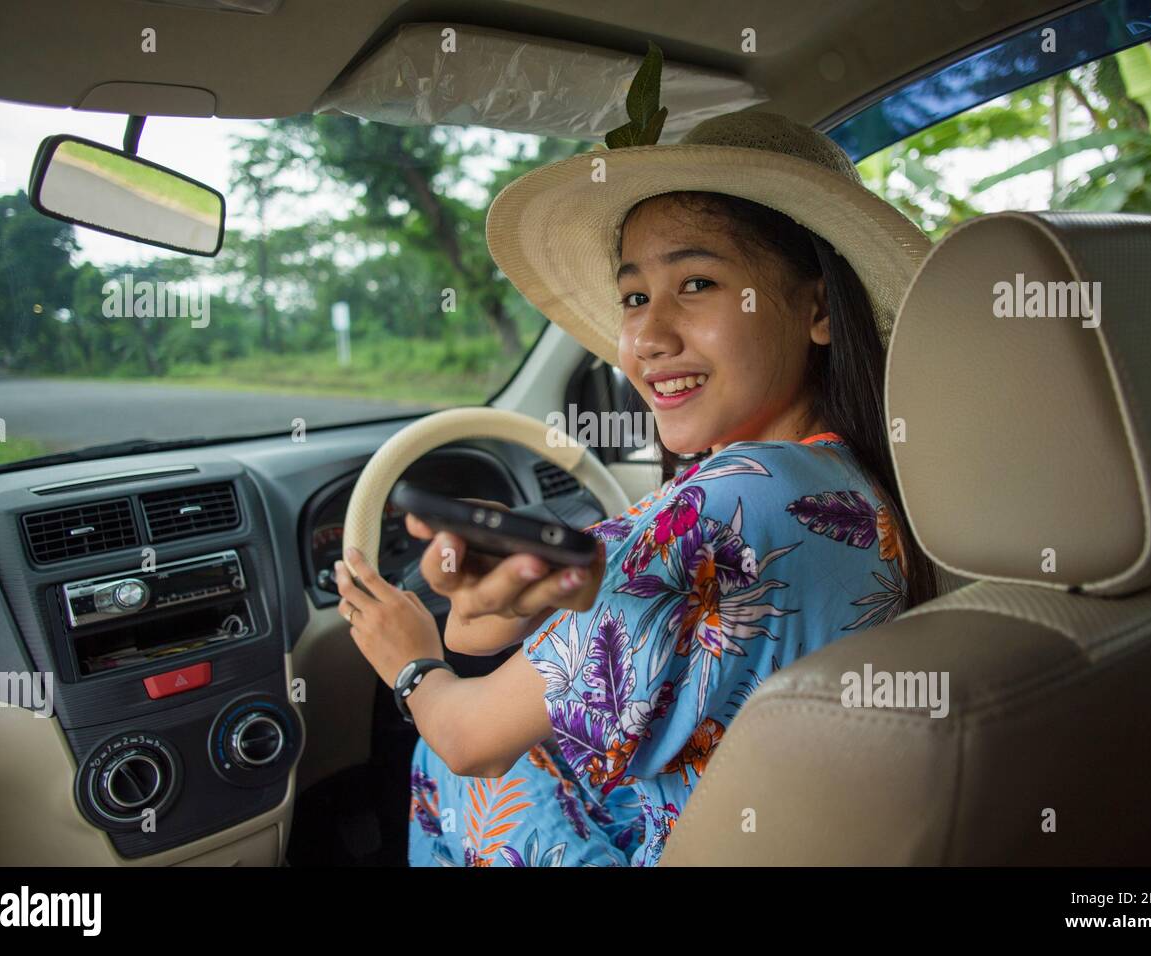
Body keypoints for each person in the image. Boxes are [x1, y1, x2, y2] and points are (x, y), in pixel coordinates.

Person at [335, 109, 939, 867]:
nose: (649, 336)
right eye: (632, 298)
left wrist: (409, 659)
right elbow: (501, 631)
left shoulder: (711, 510)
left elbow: (469, 741)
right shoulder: (864, 485)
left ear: (817, 308)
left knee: (438, 764)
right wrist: (494, 604)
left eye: (697, 283)